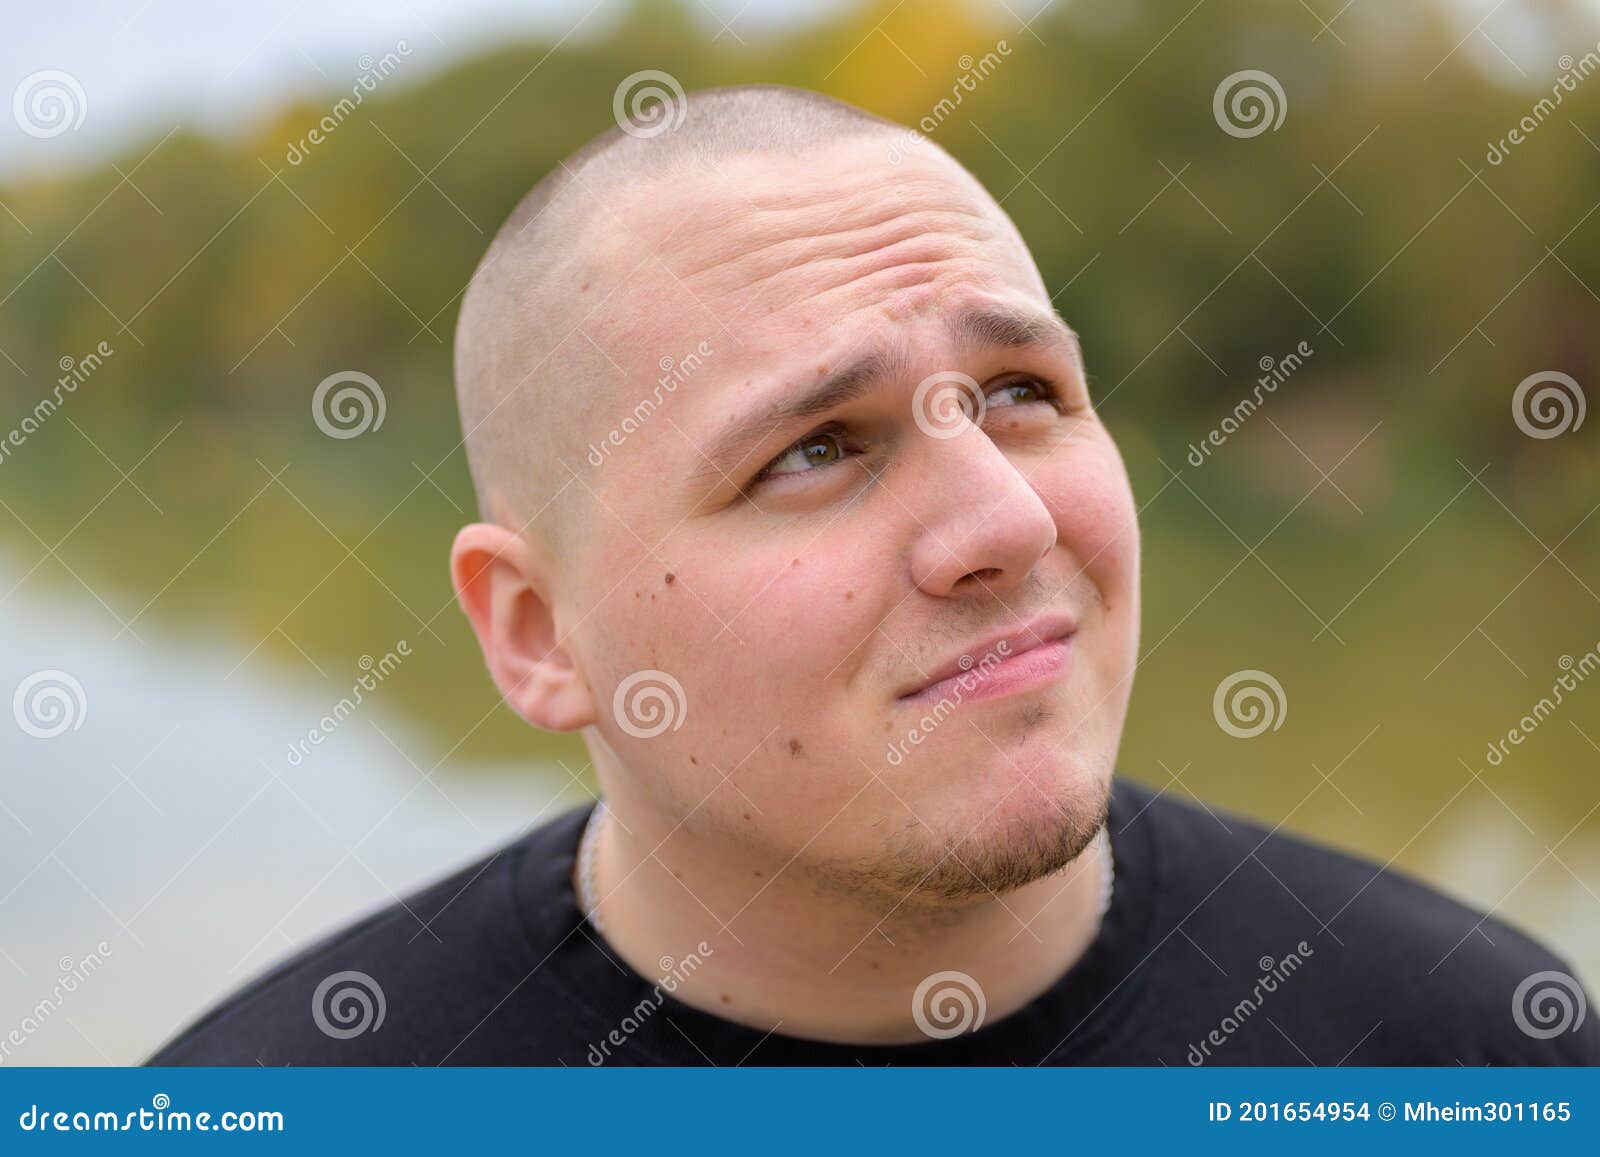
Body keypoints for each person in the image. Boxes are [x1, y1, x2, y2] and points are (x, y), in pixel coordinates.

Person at [147, 85, 1598, 1066]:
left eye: (1023, 391)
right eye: (814, 449)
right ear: (537, 633)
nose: (1007, 522)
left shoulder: (1473, 1045)